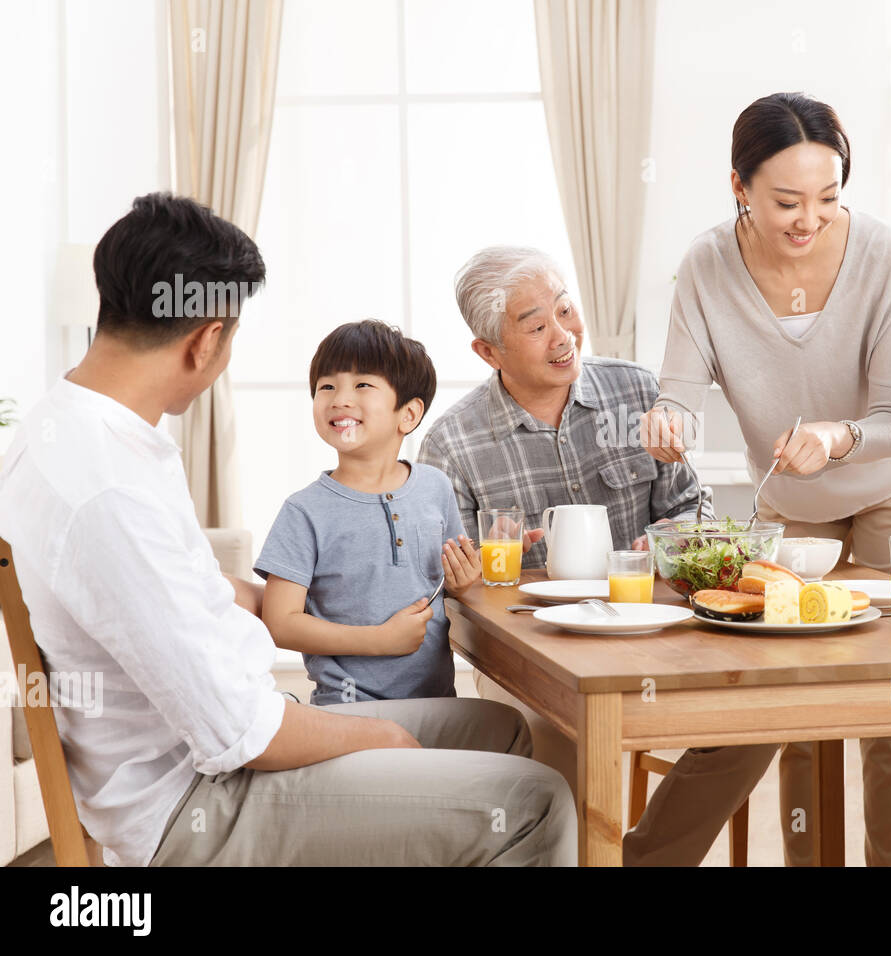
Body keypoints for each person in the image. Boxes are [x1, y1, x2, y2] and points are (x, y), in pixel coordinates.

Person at [0, 194, 575, 866]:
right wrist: (378, 740)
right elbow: (240, 731)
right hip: (199, 801)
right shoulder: (109, 488)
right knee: (536, 802)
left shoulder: (72, 432)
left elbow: (157, 593)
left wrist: (242, 592)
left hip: (212, 751)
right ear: (206, 339)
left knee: (498, 731)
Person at [640, 92, 891, 867]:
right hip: (793, 501)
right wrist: (666, 421)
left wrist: (836, 435)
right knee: (790, 697)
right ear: (740, 187)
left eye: (828, 197)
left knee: (890, 705)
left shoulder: (888, 258)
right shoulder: (707, 266)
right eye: (786, 201)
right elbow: (678, 386)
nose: (808, 219)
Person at [419, 245, 773, 866]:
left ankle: (642, 861)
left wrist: (667, 546)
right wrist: (474, 575)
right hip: (534, 656)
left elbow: (693, 507)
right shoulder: (455, 443)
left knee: (755, 721)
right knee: (558, 755)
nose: (563, 336)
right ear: (488, 351)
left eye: (565, 310)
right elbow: (450, 581)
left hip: (654, 631)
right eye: (535, 326)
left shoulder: (637, 392)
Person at [255, 320, 482, 705]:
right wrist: (379, 641)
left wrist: (465, 583)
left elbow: (451, 589)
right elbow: (280, 623)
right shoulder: (304, 510)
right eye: (326, 386)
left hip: (436, 702)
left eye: (362, 385)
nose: (339, 398)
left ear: (408, 415)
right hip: (349, 706)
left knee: (506, 735)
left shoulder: (434, 487)